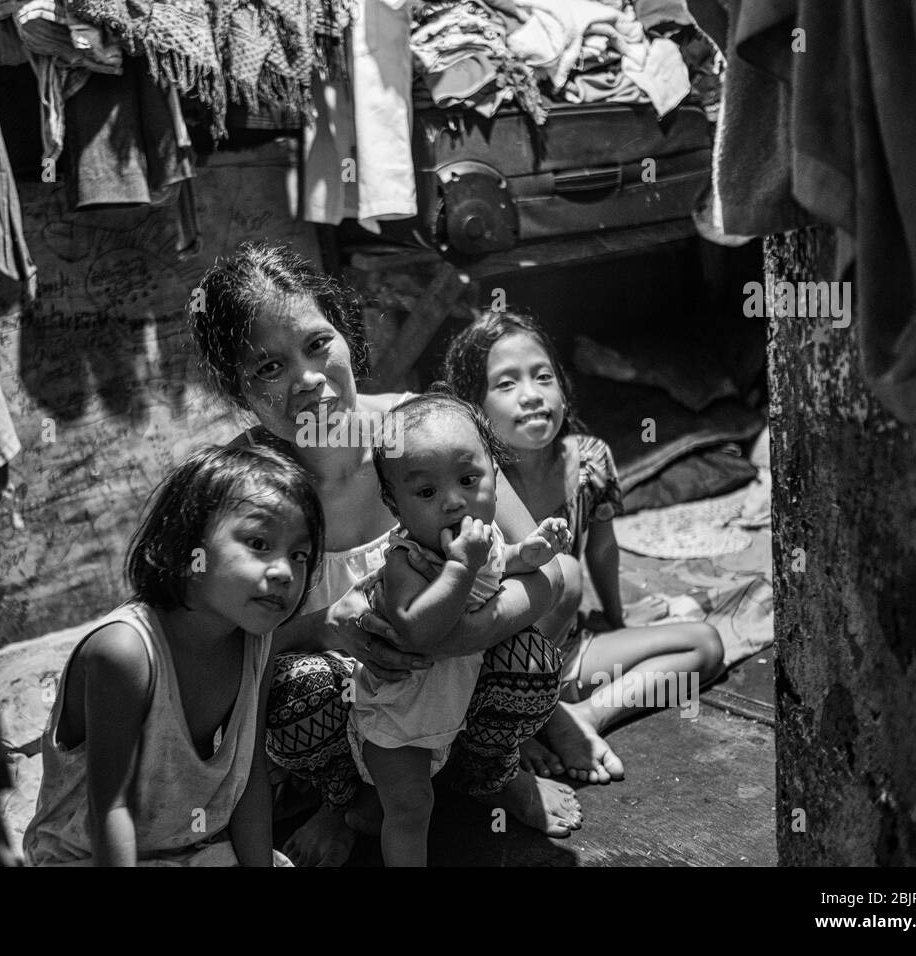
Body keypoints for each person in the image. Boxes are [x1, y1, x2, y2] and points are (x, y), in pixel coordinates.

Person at [189, 242, 583, 866]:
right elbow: (210, 652)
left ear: (347, 336)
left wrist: (461, 633)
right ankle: (342, 801)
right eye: (269, 368)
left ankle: (488, 778)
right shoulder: (245, 487)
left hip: (458, 683)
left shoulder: (424, 435)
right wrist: (322, 627)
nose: (309, 378)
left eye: (318, 343)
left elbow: (551, 578)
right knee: (299, 690)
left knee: (530, 658)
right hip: (357, 721)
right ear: (237, 389)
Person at [443, 310, 725, 784]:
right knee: (563, 571)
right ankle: (516, 718)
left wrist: (619, 619)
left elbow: (605, 549)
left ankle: (583, 716)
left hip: (568, 652)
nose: (532, 395)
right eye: (506, 384)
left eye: (543, 376)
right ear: (475, 407)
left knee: (705, 645)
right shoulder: (473, 483)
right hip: (491, 667)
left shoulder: (592, 459)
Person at [22, 444, 321, 865]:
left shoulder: (257, 639)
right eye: (258, 543)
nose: (285, 572)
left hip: (190, 850)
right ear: (185, 549)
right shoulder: (125, 654)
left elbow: (250, 774)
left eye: (299, 554)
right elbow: (112, 808)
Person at [351, 393, 574, 865]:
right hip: (398, 722)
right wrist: (458, 569)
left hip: (451, 713)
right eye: (427, 493)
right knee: (411, 811)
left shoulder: (483, 540)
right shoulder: (406, 561)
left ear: (494, 476)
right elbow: (416, 631)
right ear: (395, 504)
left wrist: (534, 551)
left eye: (468, 479)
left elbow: (504, 563)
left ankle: (479, 782)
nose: (454, 501)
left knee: (421, 804)